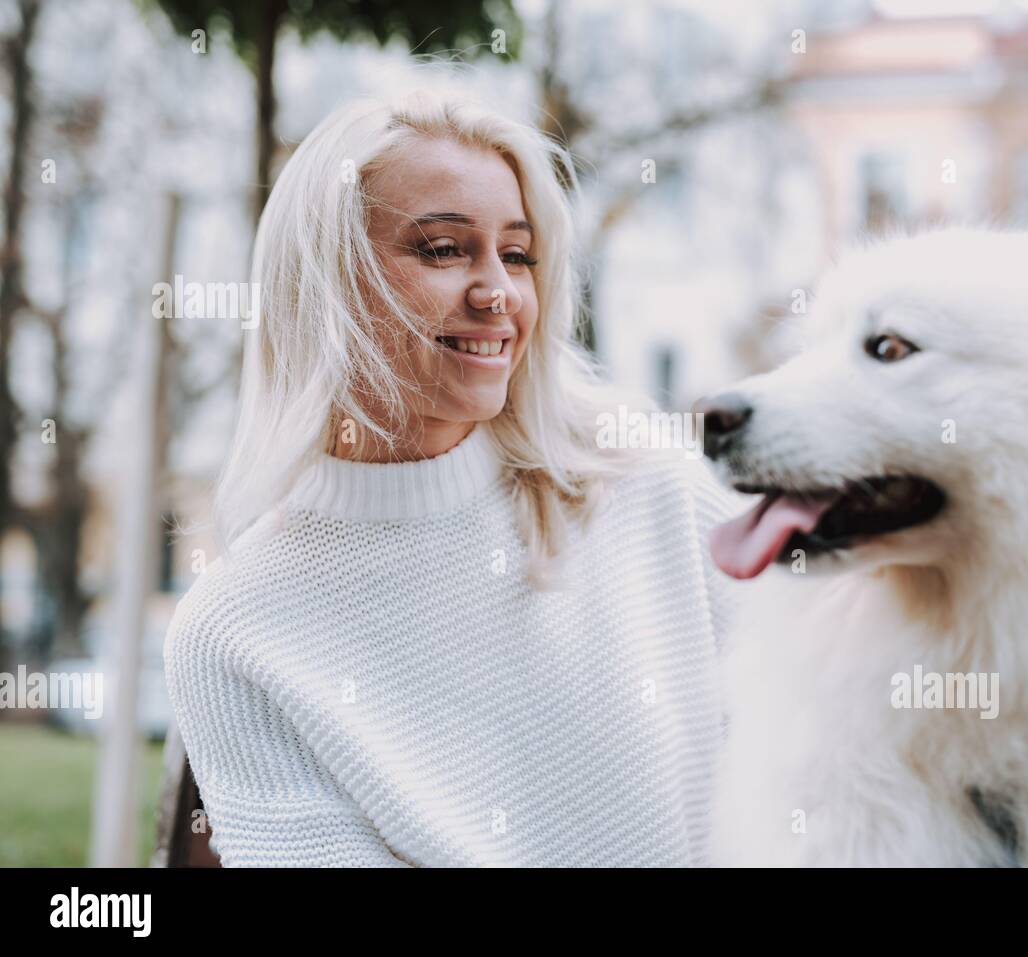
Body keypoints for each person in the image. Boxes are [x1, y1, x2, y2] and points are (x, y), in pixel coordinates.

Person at [163, 84, 744, 867]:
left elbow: (827, 734)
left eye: (517, 253)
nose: (496, 292)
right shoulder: (234, 627)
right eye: (442, 249)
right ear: (327, 278)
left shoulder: (637, 477)